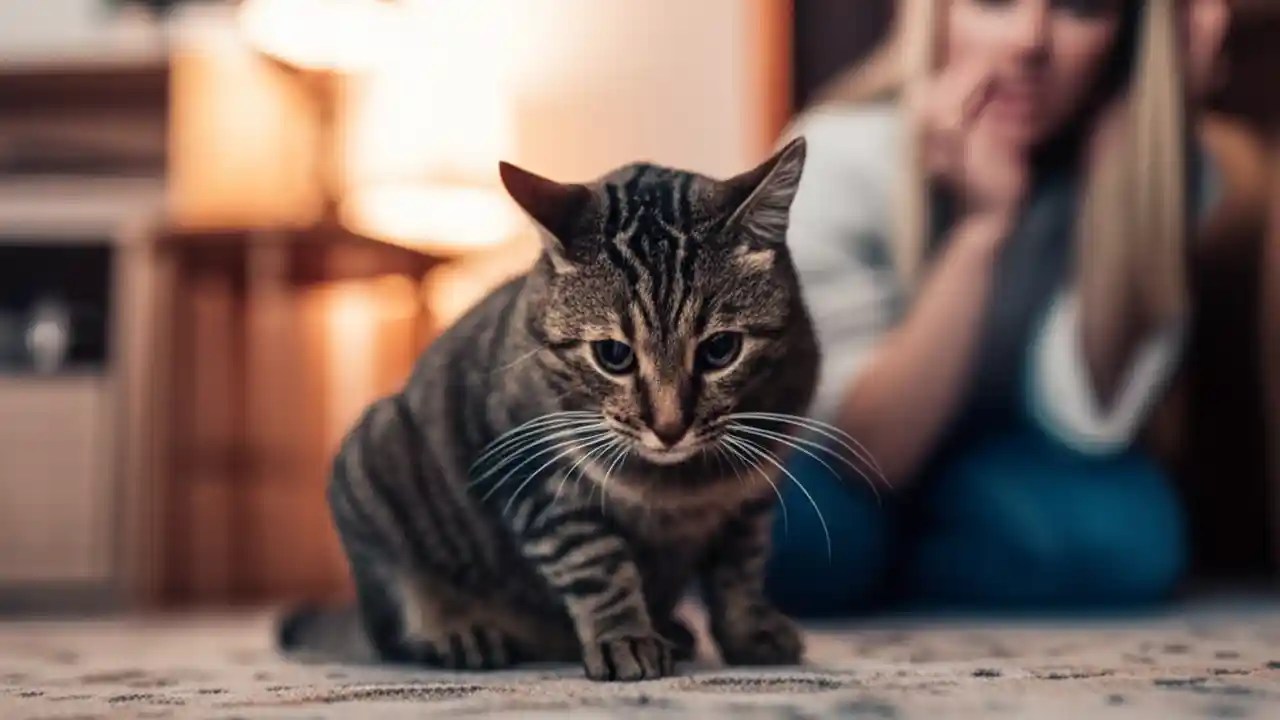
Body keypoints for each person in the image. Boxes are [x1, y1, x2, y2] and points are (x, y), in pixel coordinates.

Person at [765, 0, 1233, 616]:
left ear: (1126, 37)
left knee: (1131, 538)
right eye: (994, 2)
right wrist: (982, 229)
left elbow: (1085, 425)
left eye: (1081, 8)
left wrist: (1128, 163)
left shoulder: (1166, 172)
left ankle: (891, 563)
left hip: (992, 456)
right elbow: (870, 451)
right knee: (807, 531)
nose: (1029, 42)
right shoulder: (840, 151)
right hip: (845, 455)